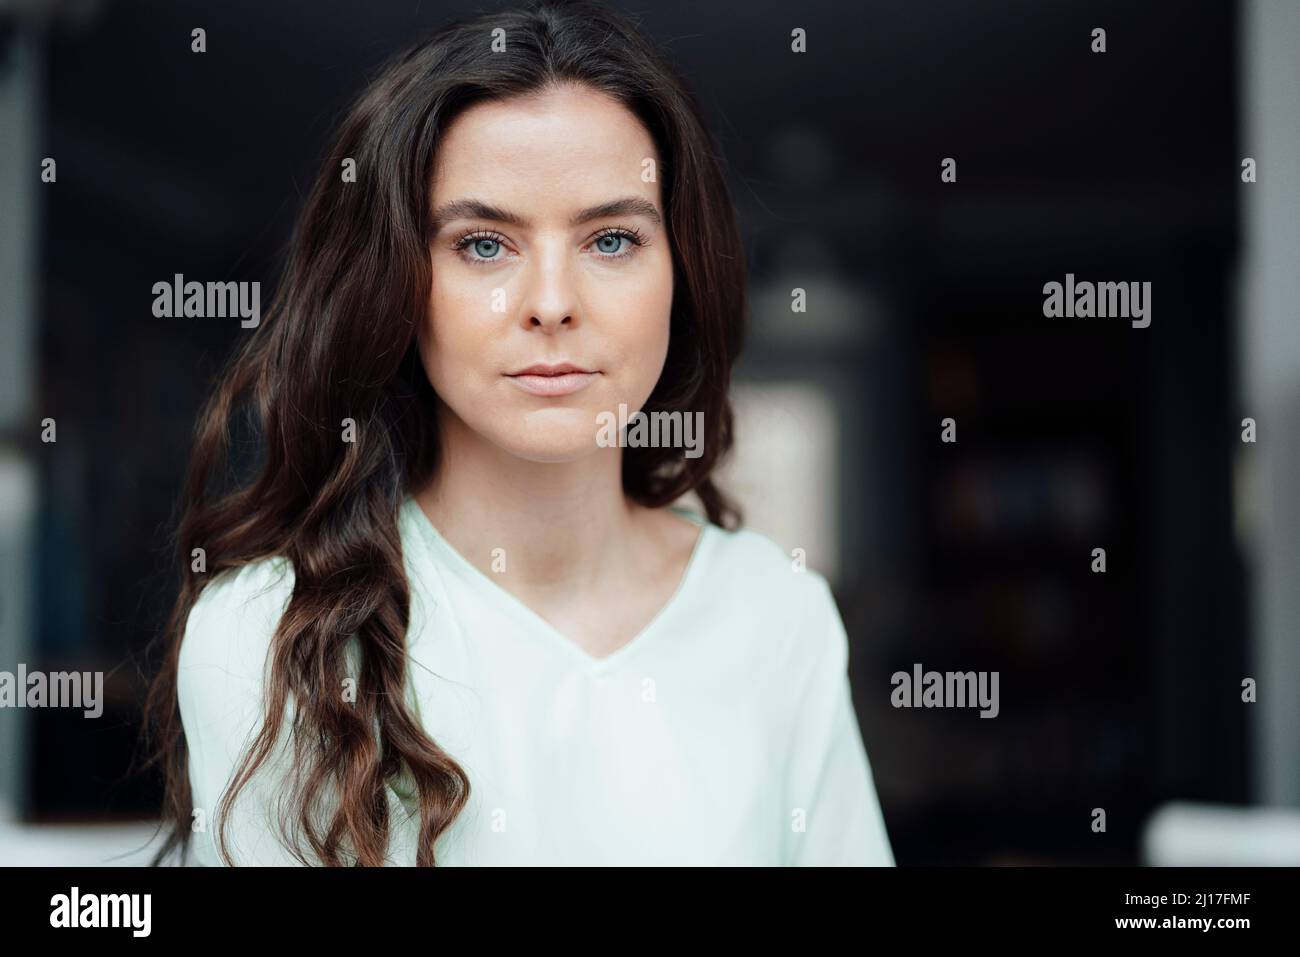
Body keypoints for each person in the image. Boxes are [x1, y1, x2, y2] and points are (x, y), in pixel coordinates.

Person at [144, 0, 894, 867]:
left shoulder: (777, 614)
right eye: (483, 245)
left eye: (612, 239)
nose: (550, 302)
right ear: (397, 283)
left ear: (683, 271)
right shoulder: (267, 634)